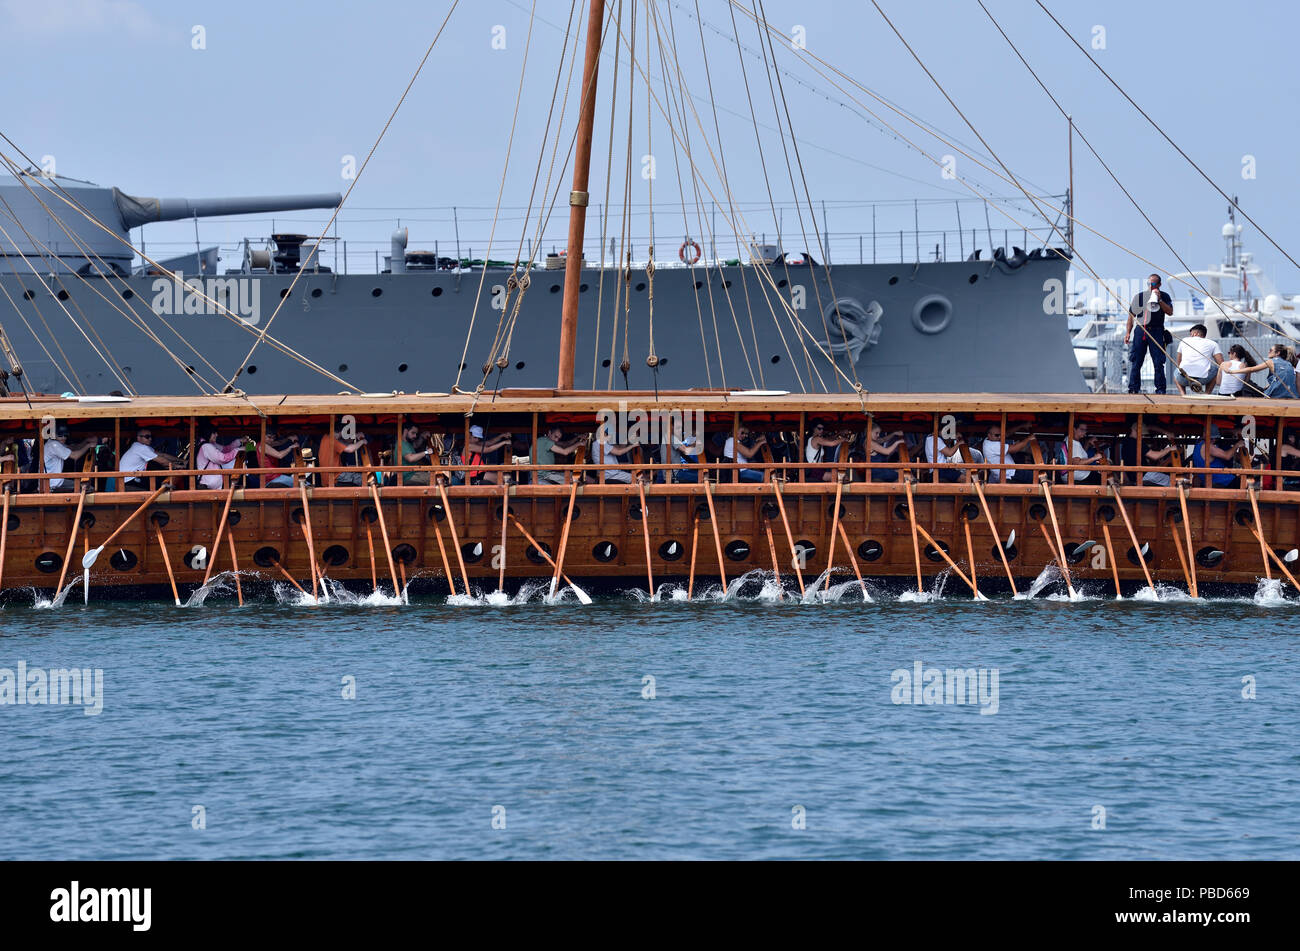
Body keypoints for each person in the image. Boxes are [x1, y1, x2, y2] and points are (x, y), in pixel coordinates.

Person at [1124, 273, 1172, 394]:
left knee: (1158, 362)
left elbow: (1170, 312)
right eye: (1149, 284)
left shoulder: (1165, 296)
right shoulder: (1139, 297)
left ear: (1159, 284)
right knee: (1136, 360)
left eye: (1154, 284)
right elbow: (1131, 316)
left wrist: (1159, 299)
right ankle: (1133, 388)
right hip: (1141, 329)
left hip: (1156, 330)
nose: (1151, 286)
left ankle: (1160, 389)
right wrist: (1127, 333)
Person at [1115, 420, 1176, 487]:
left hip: (1134, 477)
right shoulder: (1137, 443)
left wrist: (1166, 433)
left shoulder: (1126, 442)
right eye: (1142, 434)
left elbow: (1150, 427)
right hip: (1144, 475)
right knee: (1171, 481)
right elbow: (1155, 456)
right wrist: (1170, 449)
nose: (1143, 436)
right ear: (1136, 431)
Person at [1224, 344, 1299, 399]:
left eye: (1270, 350)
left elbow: (1251, 369)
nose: (1268, 351)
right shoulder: (1289, 364)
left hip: (1275, 395)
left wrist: (1232, 372)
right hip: (1292, 395)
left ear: (1277, 353)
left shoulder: (1271, 361)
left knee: (1247, 386)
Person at [42, 425, 97, 491]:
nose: (63, 438)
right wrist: (89, 445)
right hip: (53, 483)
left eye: (65, 435)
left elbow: (73, 448)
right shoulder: (54, 445)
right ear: (54, 435)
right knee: (89, 488)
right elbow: (75, 456)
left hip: (52, 481)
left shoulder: (54, 443)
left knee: (83, 486)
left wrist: (86, 441)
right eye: (60, 435)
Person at [1174, 324, 1223, 395]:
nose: (1190, 336)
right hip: (1203, 379)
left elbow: (1178, 361)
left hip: (1184, 379)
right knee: (1216, 369)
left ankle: (1182, 393)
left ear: (1195, 333)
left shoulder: (1183, 341)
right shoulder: (1213, 343)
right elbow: (1221, 363)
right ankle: (1207, 393)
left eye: (1191, 334)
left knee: (1177, 371)